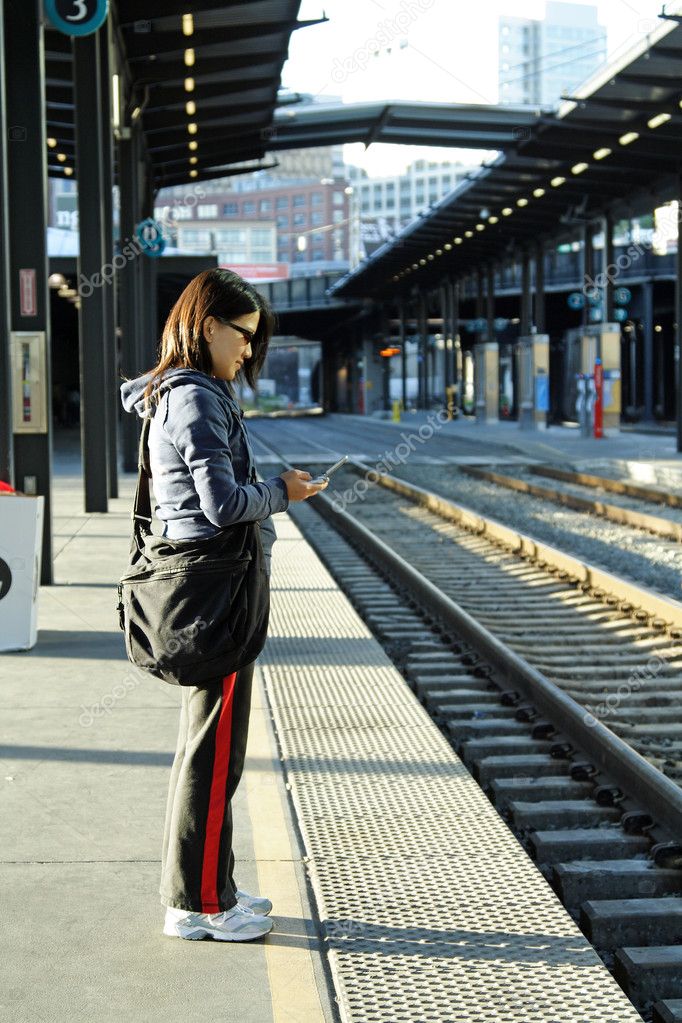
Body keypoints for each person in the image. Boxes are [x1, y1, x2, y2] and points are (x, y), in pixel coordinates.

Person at [120, 268, 327, 942]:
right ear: (208, 325)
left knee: (205, 749)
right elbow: (223, 503)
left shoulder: (175, 393)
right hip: (217, 593)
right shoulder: (196, 399)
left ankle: (210, 887)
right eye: (242, 336)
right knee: (215, 757)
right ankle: (201, 903)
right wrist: (285, 490)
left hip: (204, 588)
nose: (247, 351)